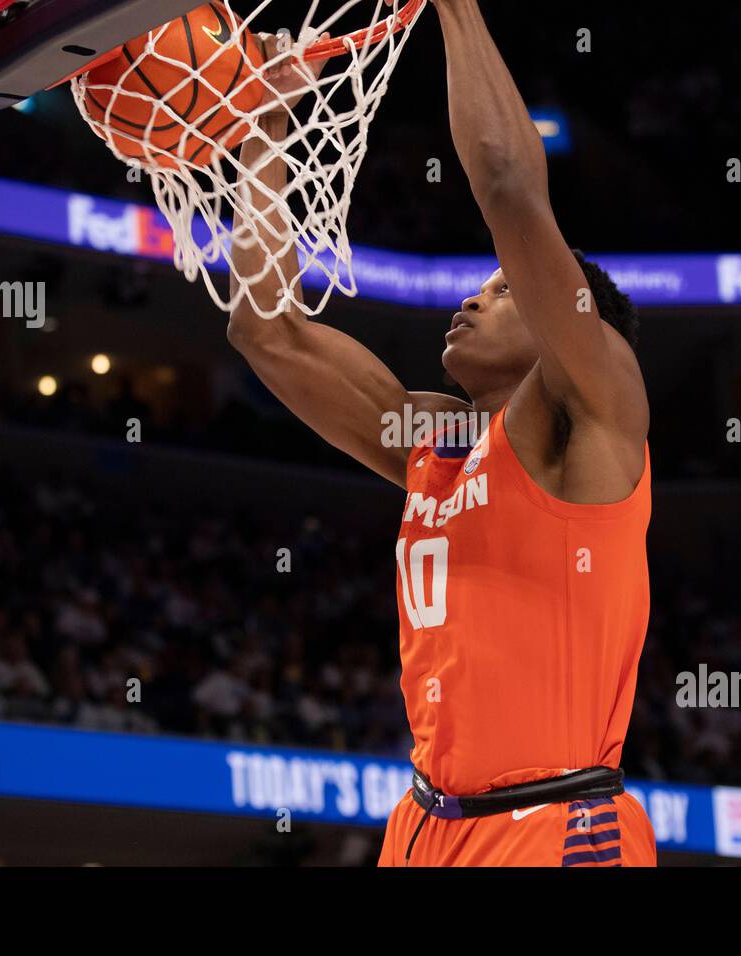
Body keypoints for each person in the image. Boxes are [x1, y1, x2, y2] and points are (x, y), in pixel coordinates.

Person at [226, 0, 653, 866]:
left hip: (555, 825)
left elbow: (506, 188)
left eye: (500, 292)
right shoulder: (435, 440)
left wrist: (455, 10)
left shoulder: (592, 410)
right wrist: (264, 130)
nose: (472, 298)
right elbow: (265, 329)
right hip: (424, 822)